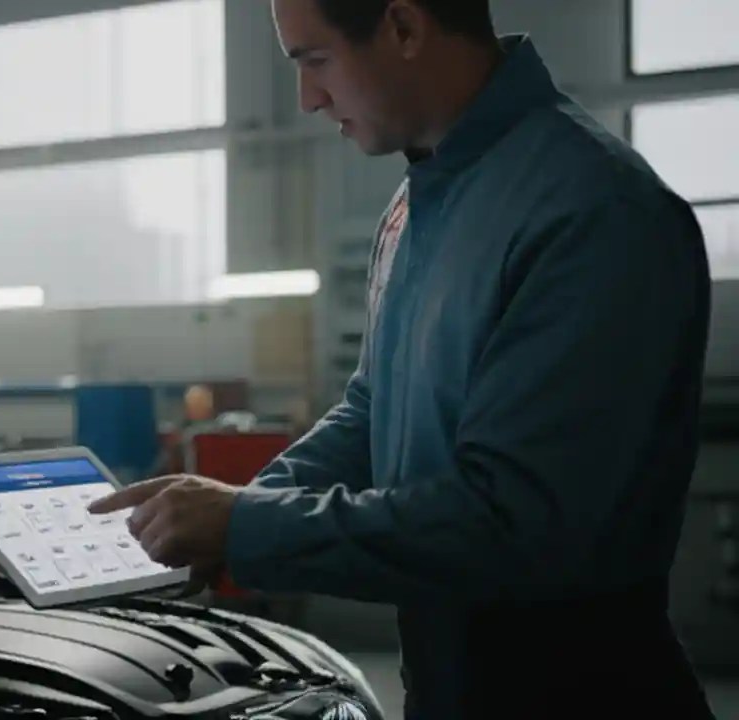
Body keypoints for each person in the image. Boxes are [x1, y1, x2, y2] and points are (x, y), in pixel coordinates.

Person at [89, 1, 716, 718]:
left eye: (315, 61)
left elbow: (516, 520)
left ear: (405, 27)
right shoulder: (417, 201)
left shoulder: (594, 211)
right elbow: (370, 409)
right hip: (449, 687)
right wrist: (240, 510)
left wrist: (246, 527)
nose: (308, 99)